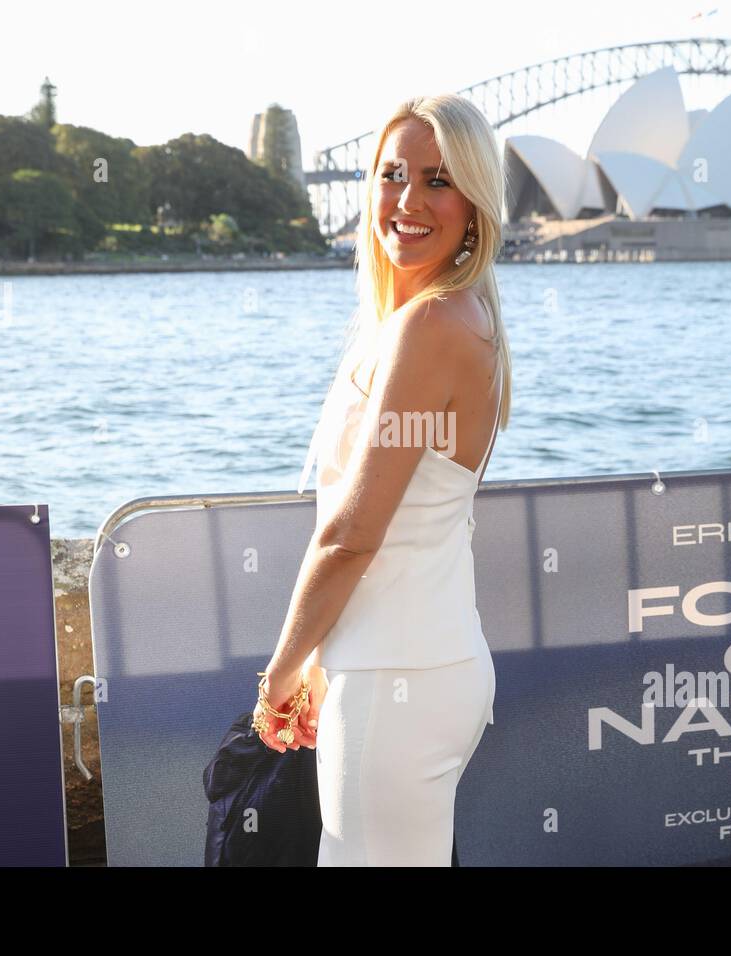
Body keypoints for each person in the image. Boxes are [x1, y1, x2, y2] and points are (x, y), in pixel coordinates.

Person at [251, 93, 512, 866]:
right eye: (392, 173)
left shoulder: (431, 328)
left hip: (396, 680)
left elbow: (350, 535)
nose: (407, 199)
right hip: (422, 664)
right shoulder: (454, 319)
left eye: (438, 180)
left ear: (474, 205)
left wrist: (280, 674)